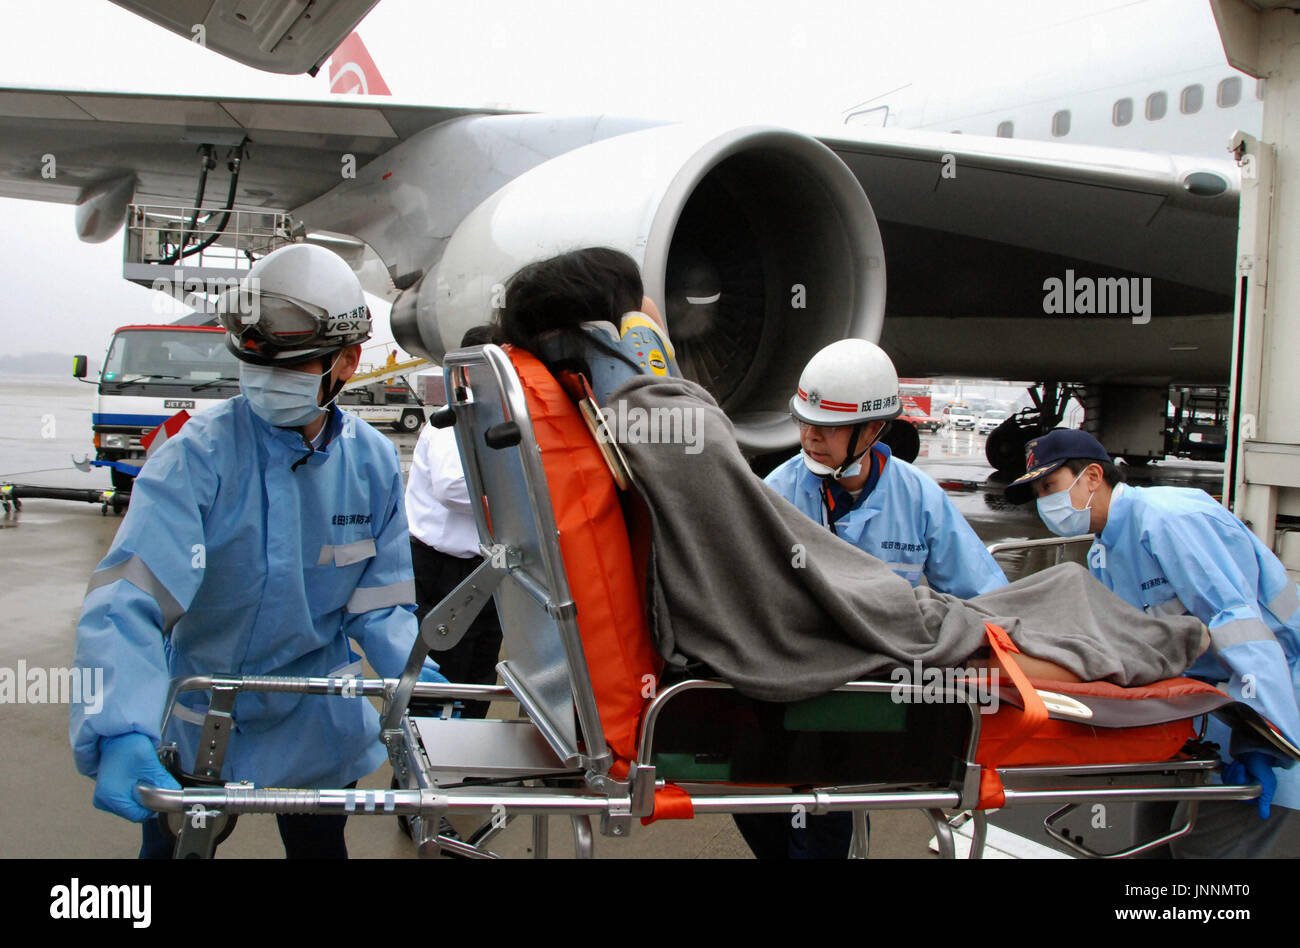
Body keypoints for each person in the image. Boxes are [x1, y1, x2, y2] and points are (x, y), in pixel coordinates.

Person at [70, 242, 444, 859]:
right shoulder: (195, 458)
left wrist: (417, 682)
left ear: (347, 361)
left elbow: (378, 606)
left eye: (291, 366)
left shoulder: (372, 463)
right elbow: (129, 597)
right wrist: (118, 728)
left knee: (320, 852)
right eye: (254, 361)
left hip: (315, 716)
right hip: (204, 713)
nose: (267, 380)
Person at [1005, 427, 1300, 857]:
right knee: (1152, 839)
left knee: (1211, 849)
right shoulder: (1103, 552)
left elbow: (1241, 628)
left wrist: (1263, 737)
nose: (1044, 503)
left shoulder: (1171, 520)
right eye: (1037, 493)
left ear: (1092, 477)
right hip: (1212, 704)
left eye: (1049, 486)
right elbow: (1138, 647)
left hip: (1276, 691)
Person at [765, 339, 1008, 599]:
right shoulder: (777, 494)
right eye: (803, 422)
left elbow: (983, 595)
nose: (810, 436)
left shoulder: (920, 498)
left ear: (872, 430)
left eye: (829, 427)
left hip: (889, 636)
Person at [407, 325, 503, 718]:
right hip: (444, 572)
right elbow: (453, 487)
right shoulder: (453, 420)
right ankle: (423, 772)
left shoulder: (489, 417)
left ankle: (464, 770)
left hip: (484, 571)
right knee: (441, 682)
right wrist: (524, 495)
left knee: (477, 678)